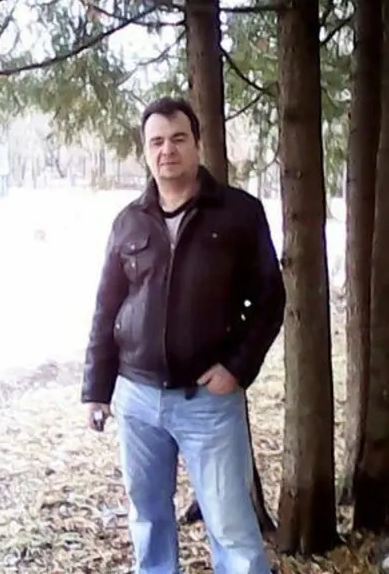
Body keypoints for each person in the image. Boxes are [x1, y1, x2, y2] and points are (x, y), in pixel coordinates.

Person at [81, 96, 286, 574]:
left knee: (232, 528)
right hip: (137, 399)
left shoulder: (238, 212)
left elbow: (270, 299)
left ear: (196, 143)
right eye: (156, 142)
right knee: (148, 520)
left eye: (177, 139)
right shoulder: (129, 221)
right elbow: (106, 309)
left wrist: (237, 367)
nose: (166, 150)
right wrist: (96, 389)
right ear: (145, 150)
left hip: (208, 403)